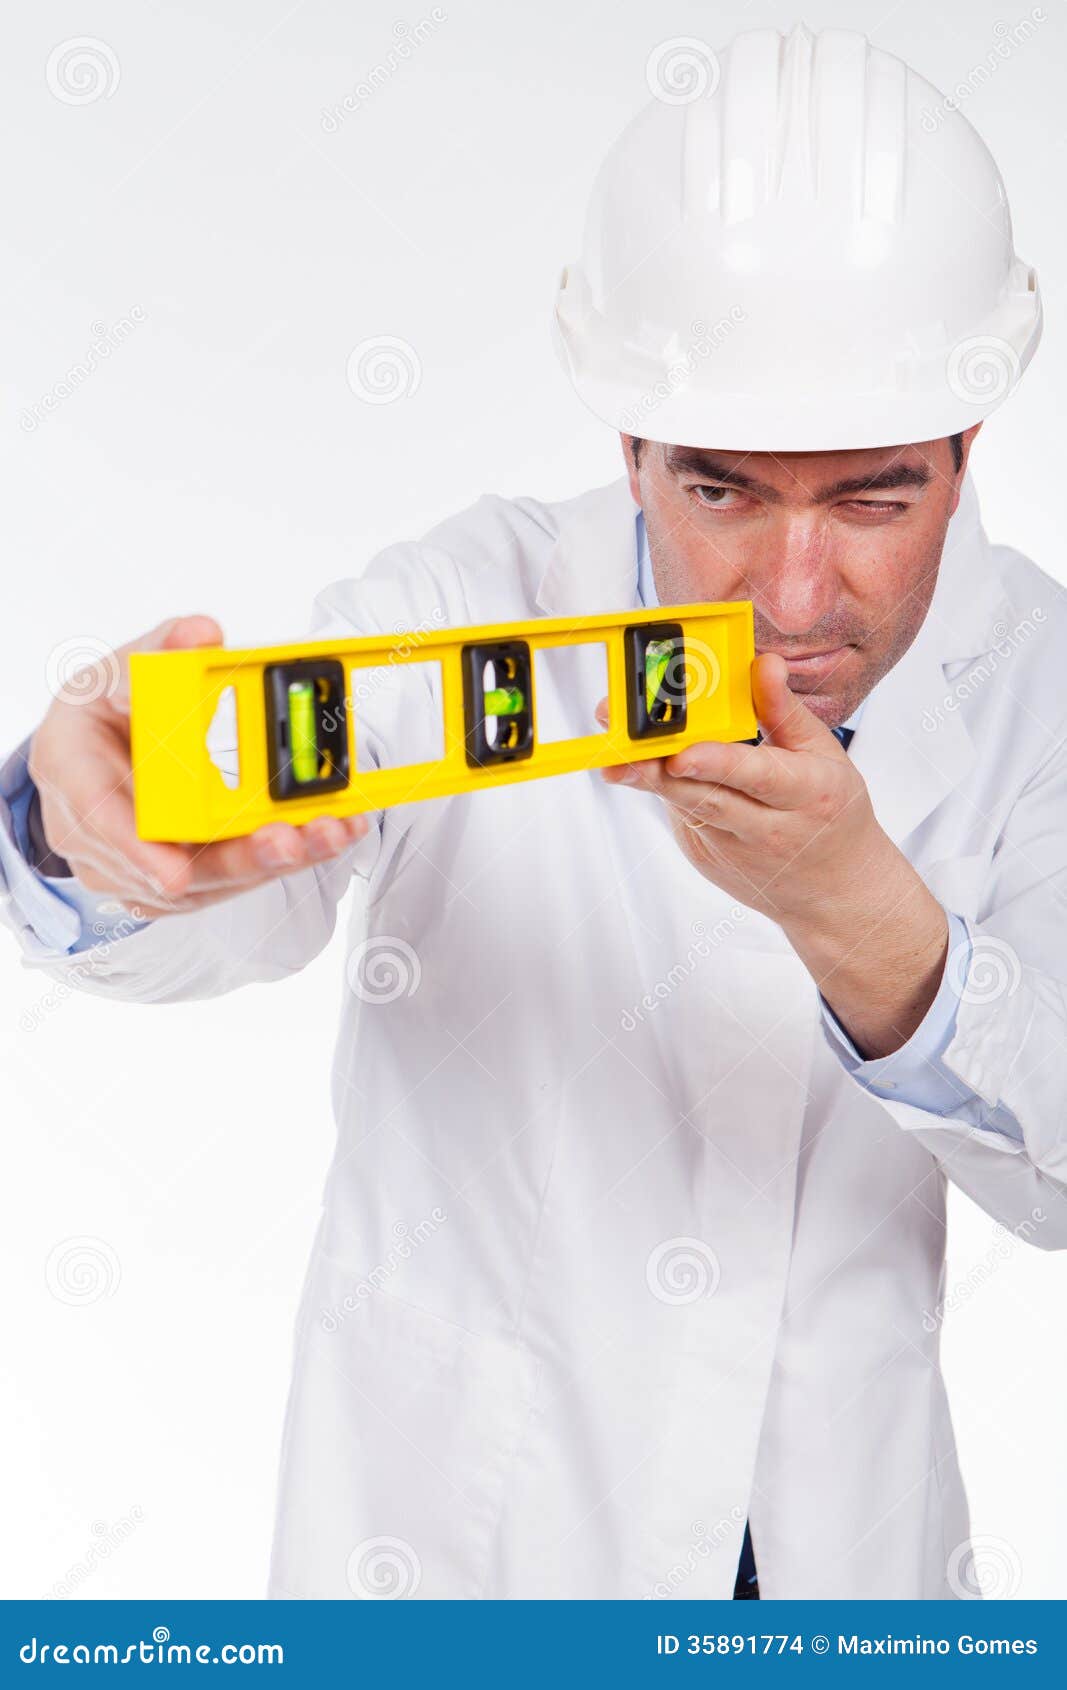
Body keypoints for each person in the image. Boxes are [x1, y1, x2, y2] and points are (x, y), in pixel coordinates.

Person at [3, 23, 1064, 1600]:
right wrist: (80, 833)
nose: (792, 592)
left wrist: (861, 910)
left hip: (855, 1587)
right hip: (461, 1582)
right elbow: (220, 907)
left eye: (873, 497)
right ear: (629, 447)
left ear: (968, 448)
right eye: (720, 490)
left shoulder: (1033, 673)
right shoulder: (475, 602)